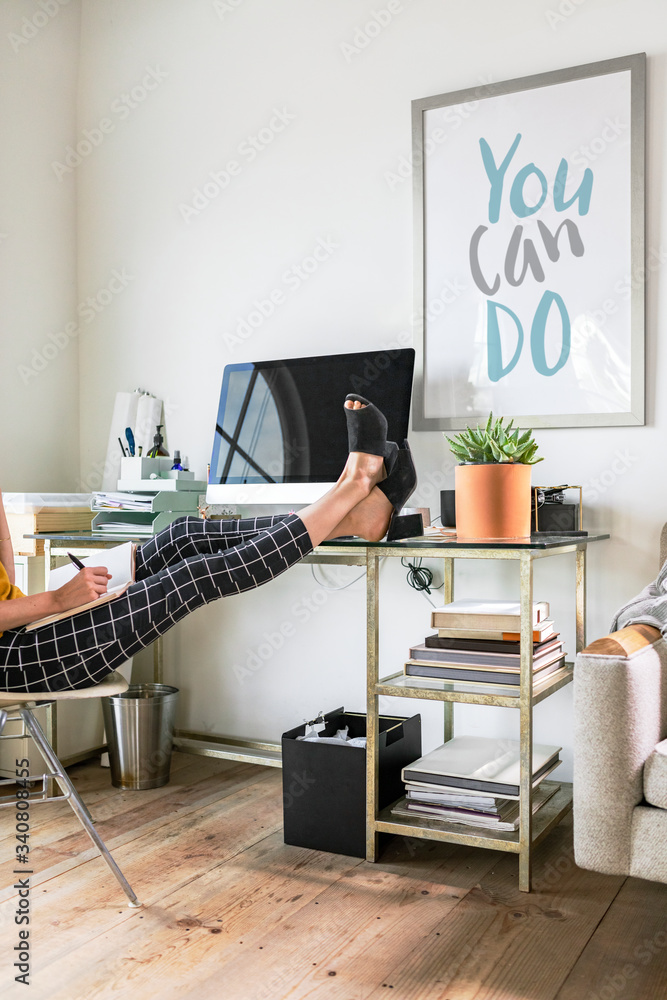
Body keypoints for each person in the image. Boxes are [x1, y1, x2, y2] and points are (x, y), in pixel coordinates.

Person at [0, 397, 416, 692]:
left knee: (186, 535)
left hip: (23, 622)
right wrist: (58, 600)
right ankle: (354, 487)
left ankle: (358, 517)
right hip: (12, 658)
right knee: (190, 579)